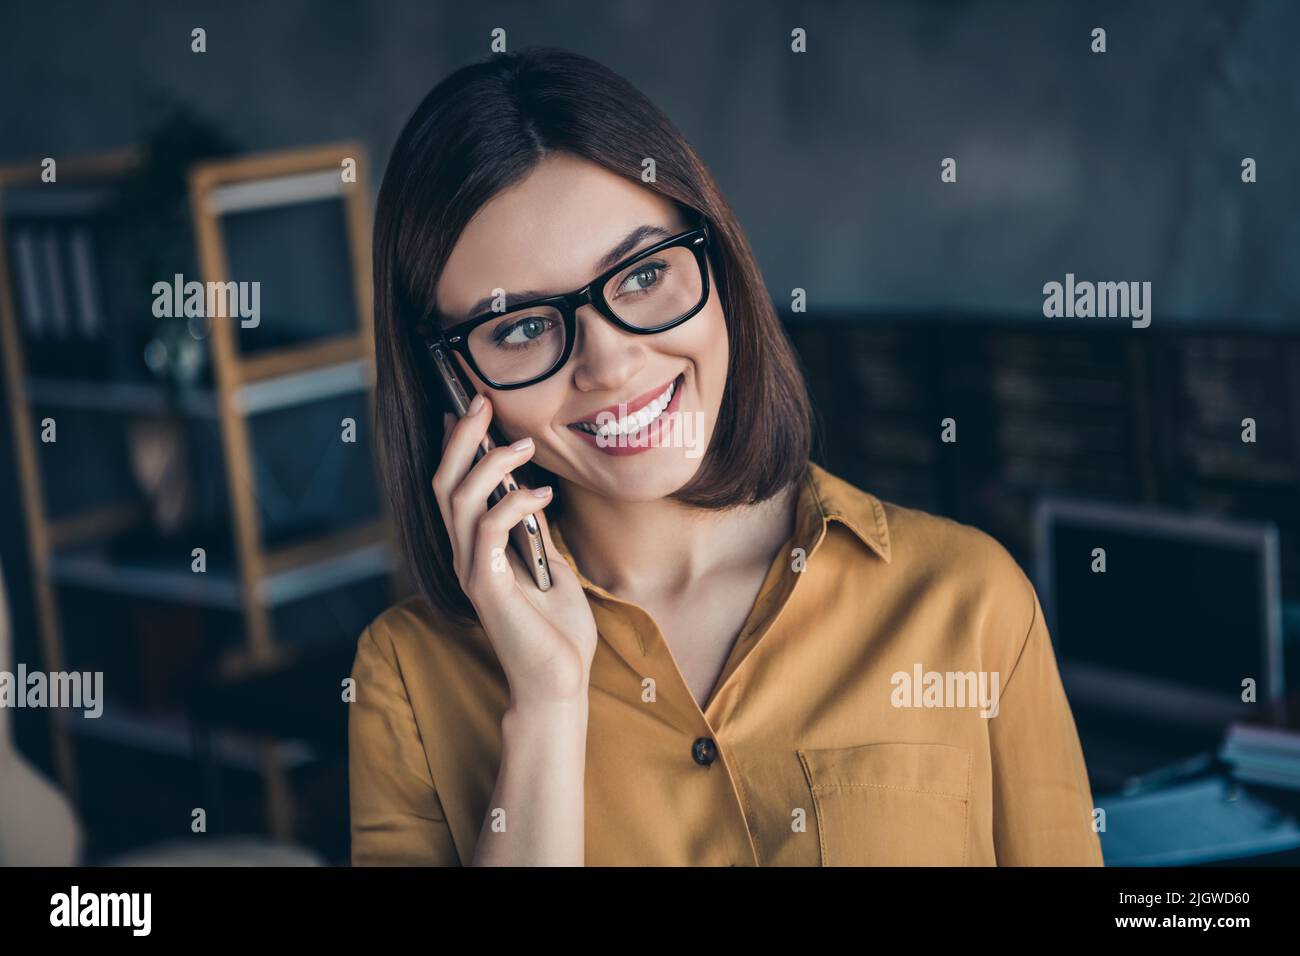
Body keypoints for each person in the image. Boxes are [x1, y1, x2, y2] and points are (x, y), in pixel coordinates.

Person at [349, 46, 1103, 867]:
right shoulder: (408, 682)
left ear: (718, 262)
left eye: (640, 277)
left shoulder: (970, 600)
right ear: (453, 380)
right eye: (522, 328)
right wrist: (547, 707)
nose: (608, 365)